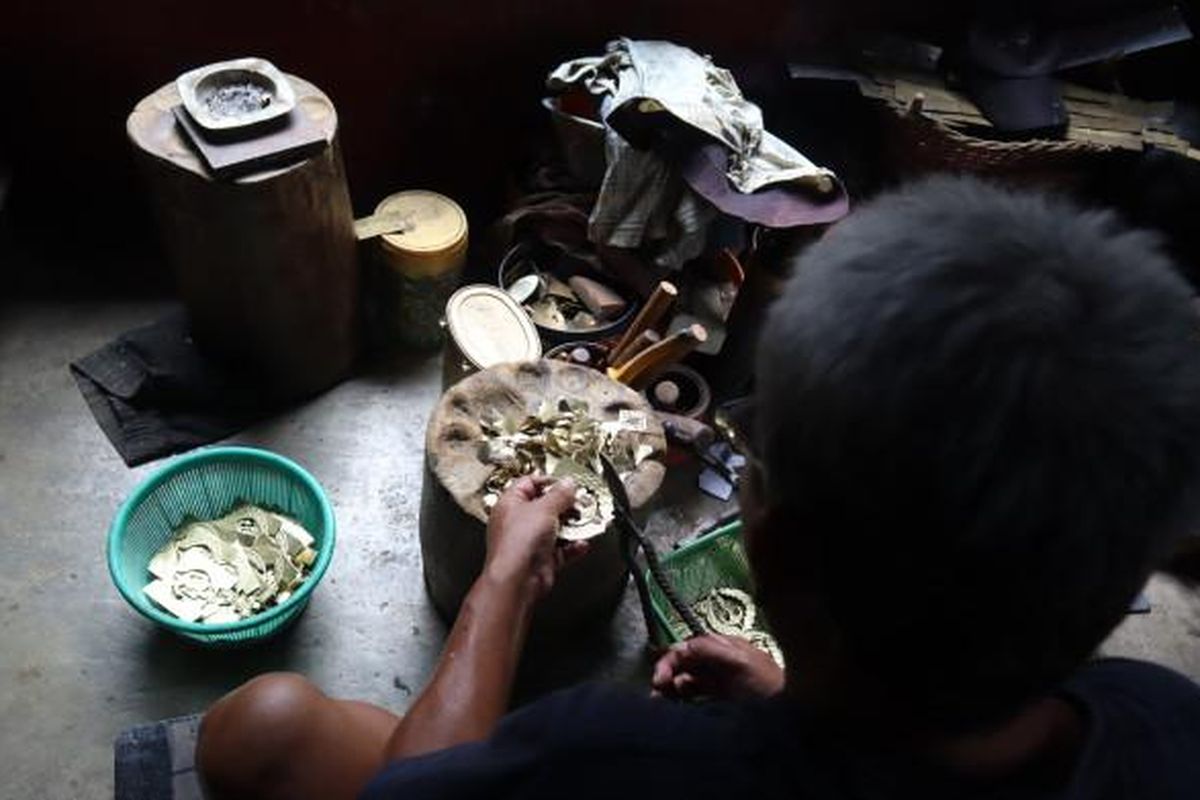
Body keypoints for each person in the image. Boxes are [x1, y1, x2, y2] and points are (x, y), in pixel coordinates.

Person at [196, 176, 1200, 800]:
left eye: (753, 453)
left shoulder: (601, 758)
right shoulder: (1163, 721)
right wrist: (790, 703)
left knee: (262, 731)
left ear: (778, 546)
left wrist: (503, 582)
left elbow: (416, 792)